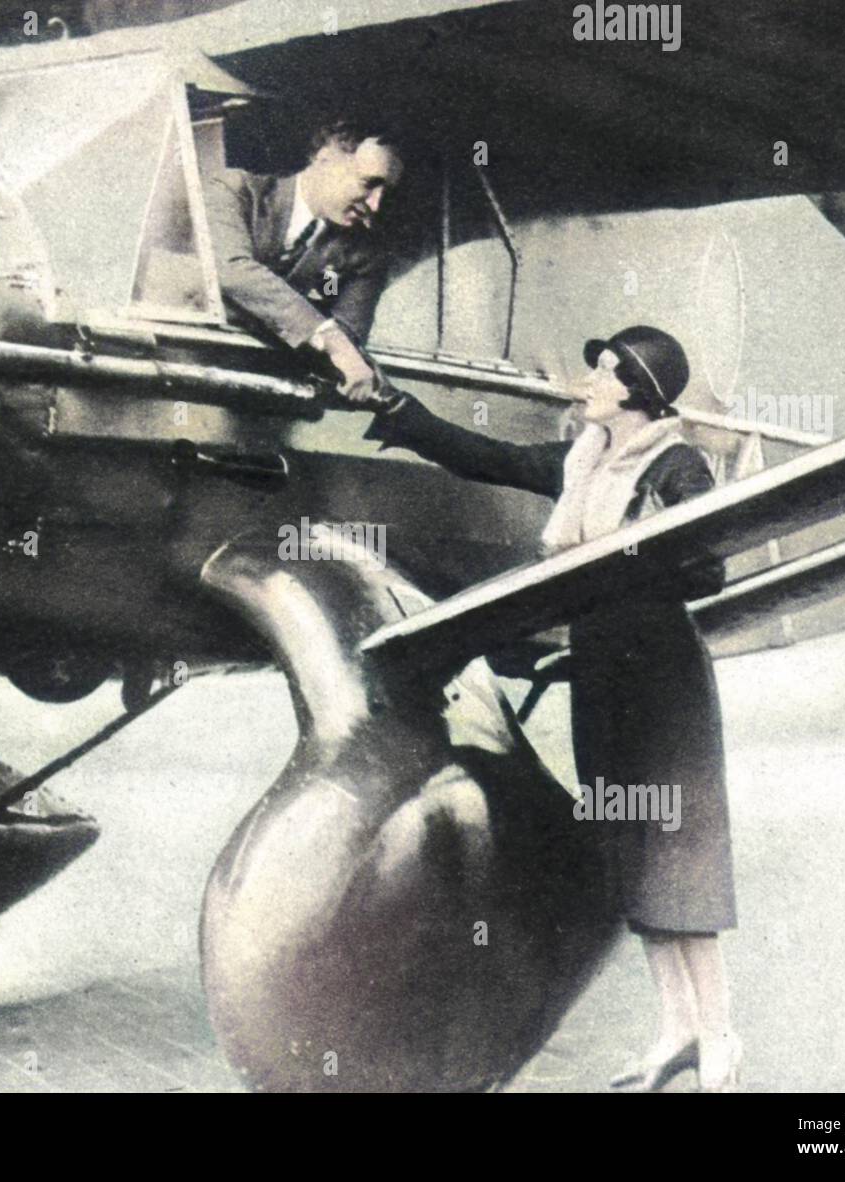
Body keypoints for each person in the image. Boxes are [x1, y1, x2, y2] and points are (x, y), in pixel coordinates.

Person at [366, 325, 743, 1092]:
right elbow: (490, 460)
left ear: (635, 387)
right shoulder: (585, 460)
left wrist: (623, 561)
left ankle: (722, 1038)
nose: (587, 383)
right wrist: (400, 412)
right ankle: (676, 1029)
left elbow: (706, 567)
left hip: (658, 674)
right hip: (603, 669)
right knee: (630, 852)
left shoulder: (676, 464)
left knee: (676, 853)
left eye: (601, 372)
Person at [202, 118, 404, 404]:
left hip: (270, 397)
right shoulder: (235, 190)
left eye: (386, 192)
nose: (375, 204)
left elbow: (349, 336)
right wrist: (324, 334)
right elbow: (232, 270)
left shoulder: (364, 252)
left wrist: (332, 340)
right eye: (369, 184)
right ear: (326, 158)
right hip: (189, 366)